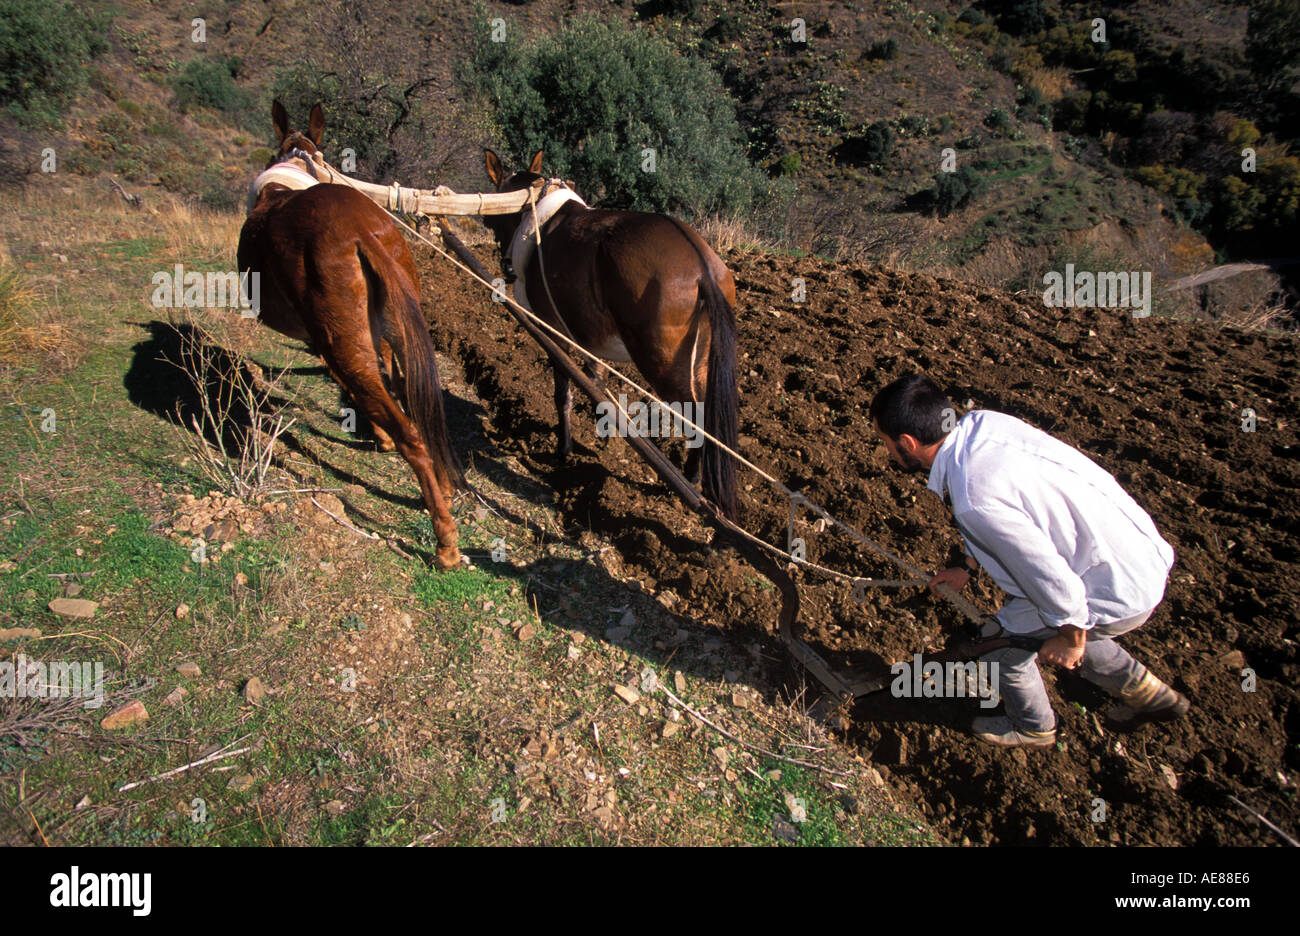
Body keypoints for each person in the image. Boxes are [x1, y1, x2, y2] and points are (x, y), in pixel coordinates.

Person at [869, 373, 1190, 748]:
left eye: (886, 442)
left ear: (907, 443)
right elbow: (1014, 514)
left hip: (1110, 588)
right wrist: (967, 566)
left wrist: (1070, 640)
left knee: (998, 642)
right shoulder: (983, 426)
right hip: (1136, 555)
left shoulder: (975, 497)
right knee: (1046, 623)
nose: (886, 450)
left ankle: (1033, 727)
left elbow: (1059, 588)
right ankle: (1146, 693)